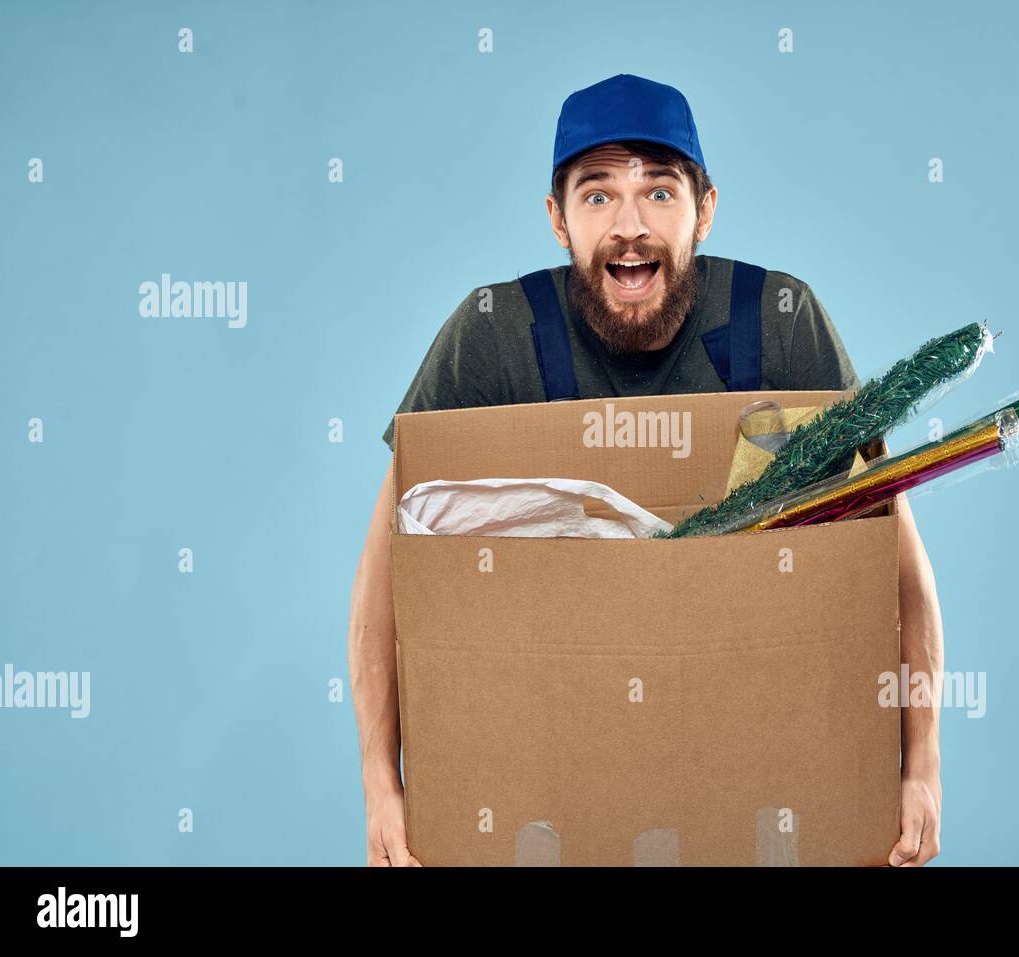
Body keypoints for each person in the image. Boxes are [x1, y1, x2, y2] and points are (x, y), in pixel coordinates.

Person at [348, 74, 944, 867]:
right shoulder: (492, 341)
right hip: (548, 807)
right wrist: (379, 785)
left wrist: (922, 767)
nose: (630, 227)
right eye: (597, 196)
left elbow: (897, 571)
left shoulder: (779, 325)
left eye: (659, 192)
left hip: (758, 801)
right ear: (557, 219)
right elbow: (383, 584)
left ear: (705, 208)